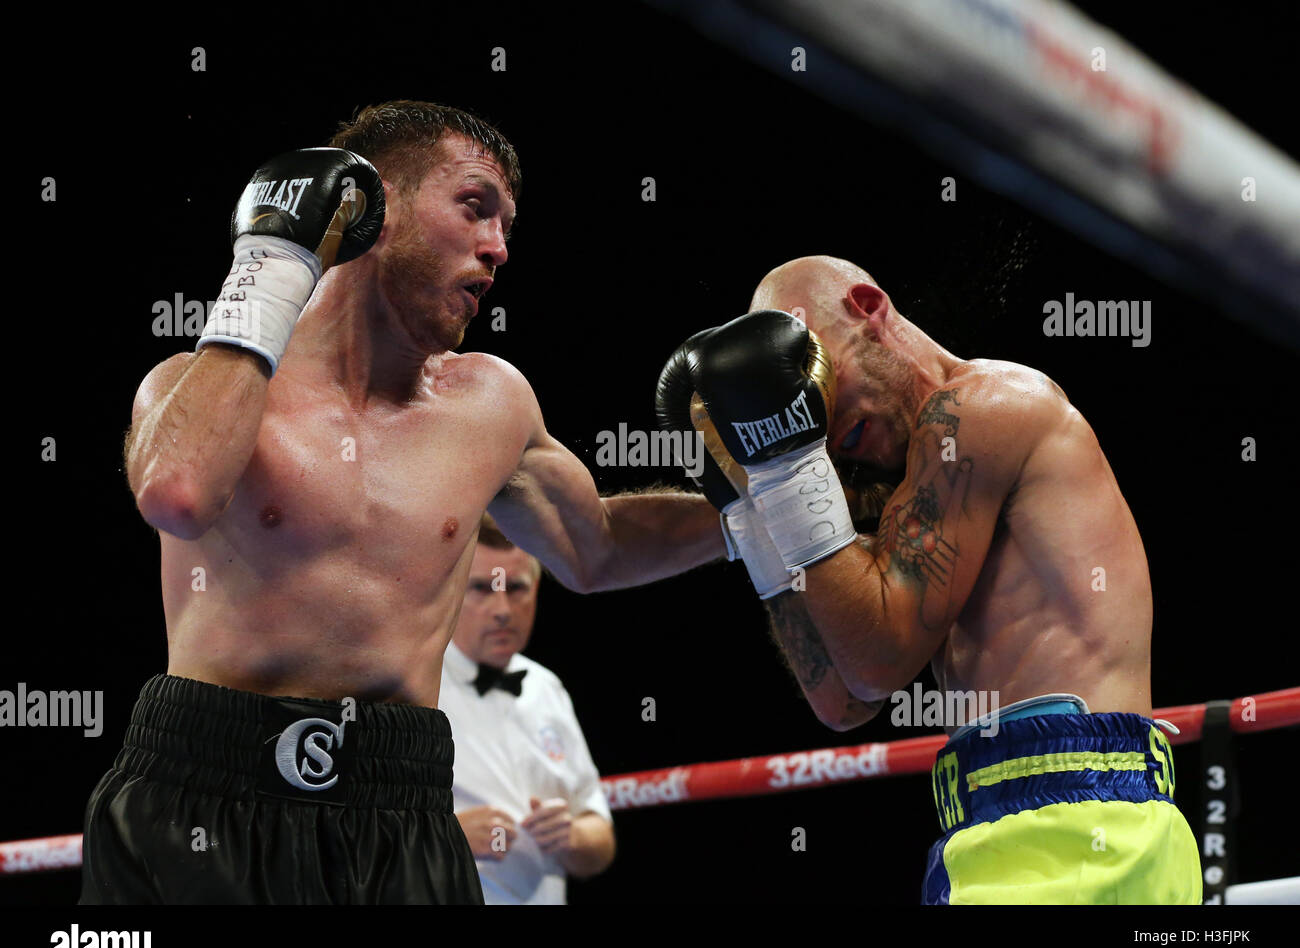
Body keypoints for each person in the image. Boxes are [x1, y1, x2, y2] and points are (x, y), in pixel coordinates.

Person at [83, 100, 721, 905]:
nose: (498, 247)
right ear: (368, 206)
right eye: (474, 206)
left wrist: (765, 505)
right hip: (198, 794)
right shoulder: (207, 384)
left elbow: (594, 550)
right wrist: (270, 270)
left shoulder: (491, 404)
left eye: (506, 226)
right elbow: (176, 493)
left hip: (402, 807)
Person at [655, 255, 1201, 904]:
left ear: (867, 307)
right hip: (989, 822)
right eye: (800, 412)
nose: (821, 431)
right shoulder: (907, 486)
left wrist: (785, 468)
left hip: (1083, 821)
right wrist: (753, 504)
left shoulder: (987, 407)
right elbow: (841, 699)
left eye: (820, 384)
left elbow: (876, 664)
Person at [441, 518, 614, 904]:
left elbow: (600, 838)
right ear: (449, 591)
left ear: (535, 589)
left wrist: (571, 836)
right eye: (483, 589)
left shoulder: (546, 688)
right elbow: (343, 835)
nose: (502, 610)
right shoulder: (409, 687)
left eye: (514, 588)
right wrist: (442, 837)